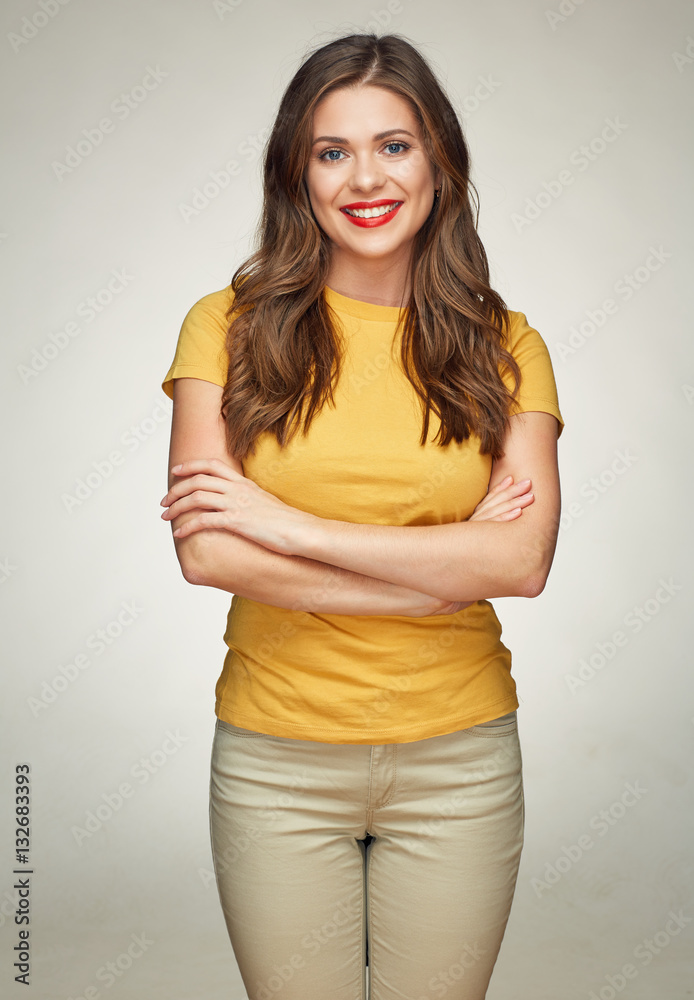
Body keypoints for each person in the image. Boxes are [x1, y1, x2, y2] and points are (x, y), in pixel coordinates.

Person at [159, 31, 563, 1000]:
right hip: (275, 764)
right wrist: (432, 571)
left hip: (458, 760)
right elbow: (208, 548)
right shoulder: (227, 324)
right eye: (330, 151)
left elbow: (521, 562)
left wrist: (285, 524)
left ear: (439, 164)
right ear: (296, 174)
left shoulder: (507, 345)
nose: (362, 177)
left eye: (394, 145)